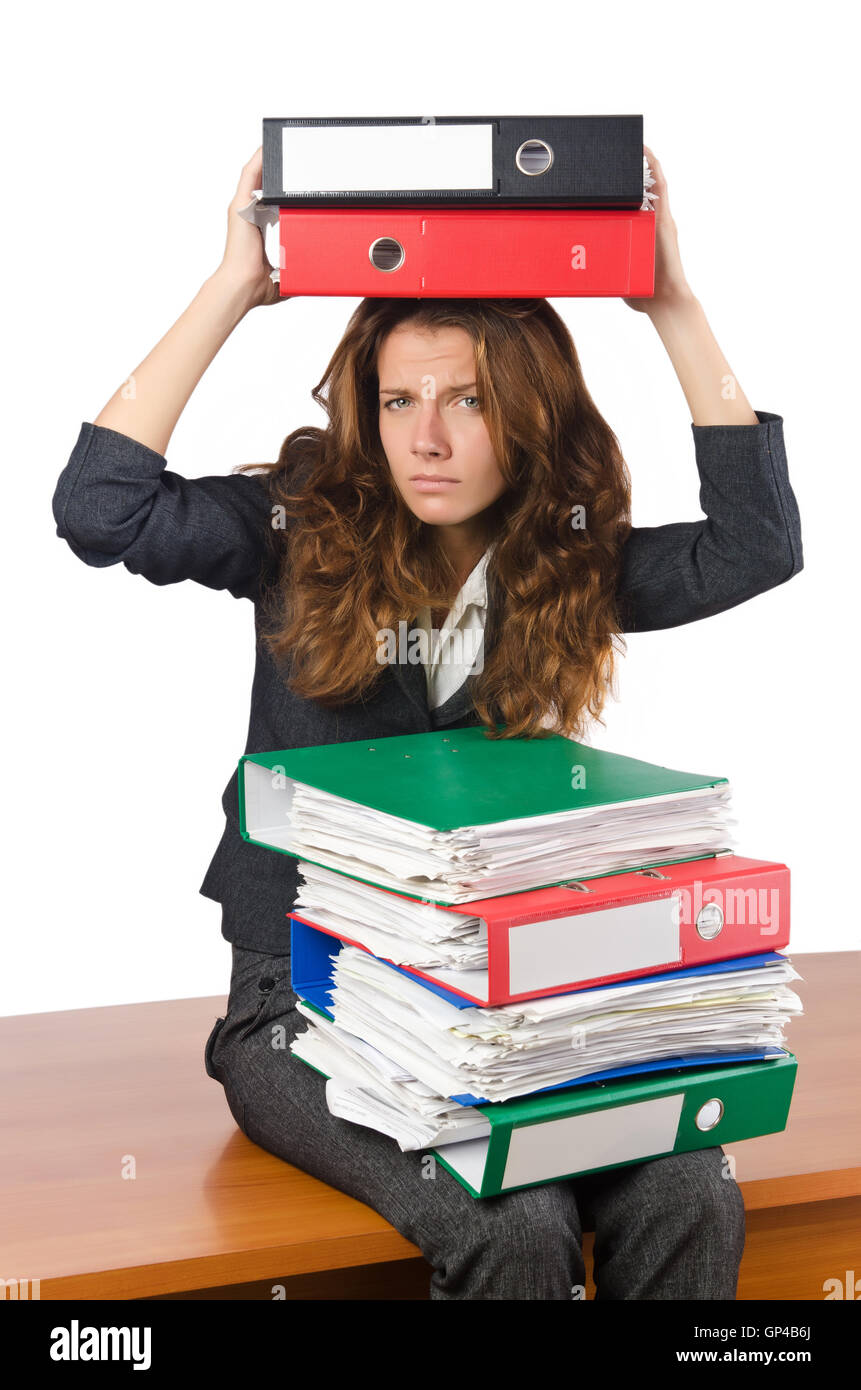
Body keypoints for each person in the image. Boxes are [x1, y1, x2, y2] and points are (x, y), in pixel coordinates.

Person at [51, 144, 803, 1300]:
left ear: (526, 411)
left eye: (468, 400)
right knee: (512, 1220)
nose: (427, 438)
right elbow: (100, 507)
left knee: (689, 1190)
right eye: (400, 400)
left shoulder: (562, 560)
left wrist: (674, 305)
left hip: (508, 1010)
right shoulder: (295, 529)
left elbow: (755, 545)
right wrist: (233, 287)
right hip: (305, 1012)